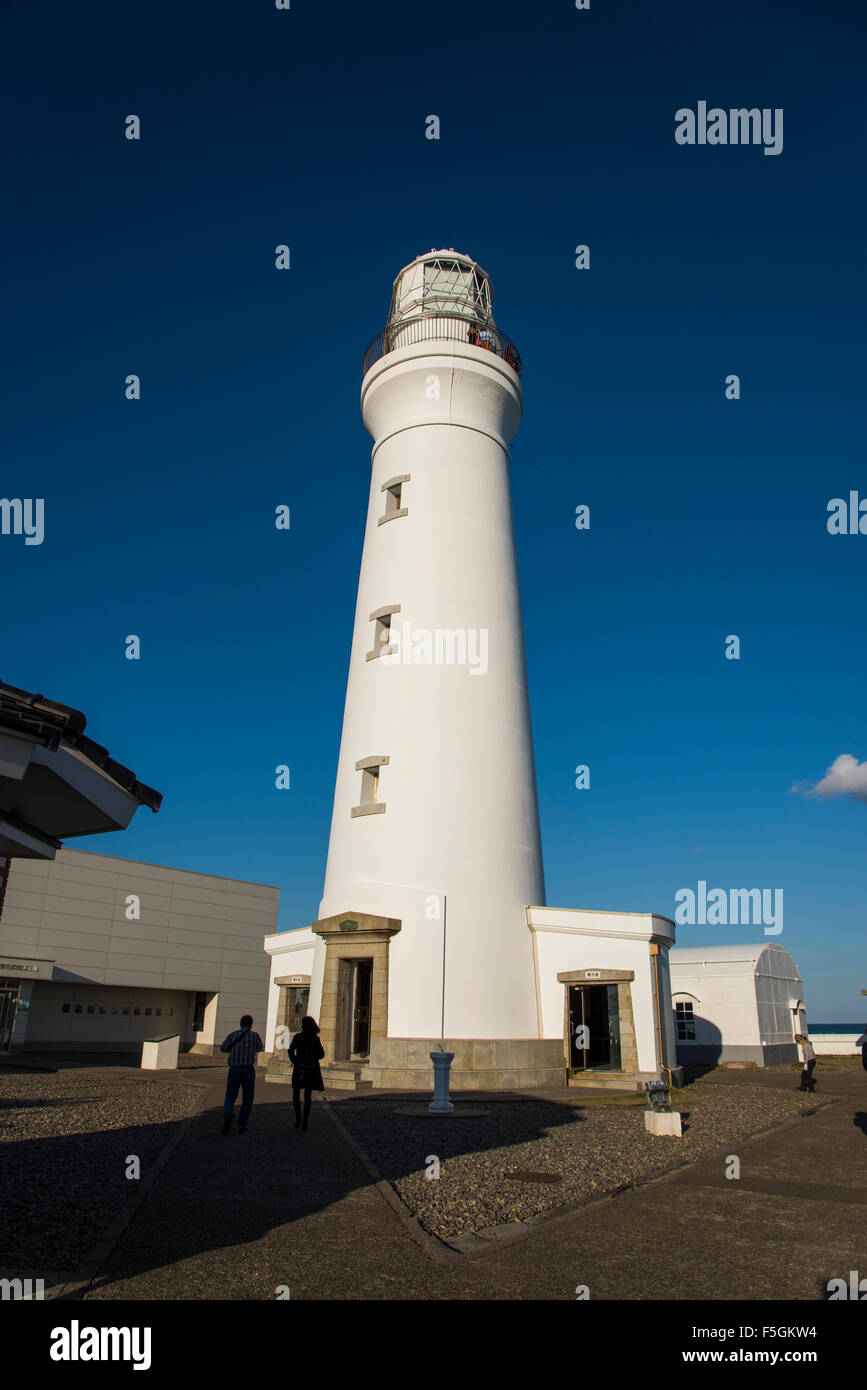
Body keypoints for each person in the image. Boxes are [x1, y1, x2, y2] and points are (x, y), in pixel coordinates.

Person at [220, 1014, 264, 1134]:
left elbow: (223, 1048)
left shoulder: (233, 1035)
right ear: (251, 1024)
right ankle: (242, 1124)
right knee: (247, 1098)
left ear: (241, 1023)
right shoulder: (254, 1036)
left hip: (234, 1069)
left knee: (230, 1096)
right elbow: (260, 1048)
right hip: (247, 1069)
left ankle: (228, 1113)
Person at [288, 1015, 325, 1131]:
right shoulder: (315, 1038)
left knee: (296, 1094)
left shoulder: (298, 1037)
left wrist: (295, 1061)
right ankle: (305, 1121)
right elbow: (321, 1054)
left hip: (299, 1068)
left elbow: (290, 1050)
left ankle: (298, 1117)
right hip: (311, 1070)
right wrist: (313, 1058)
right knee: (308, 1096)